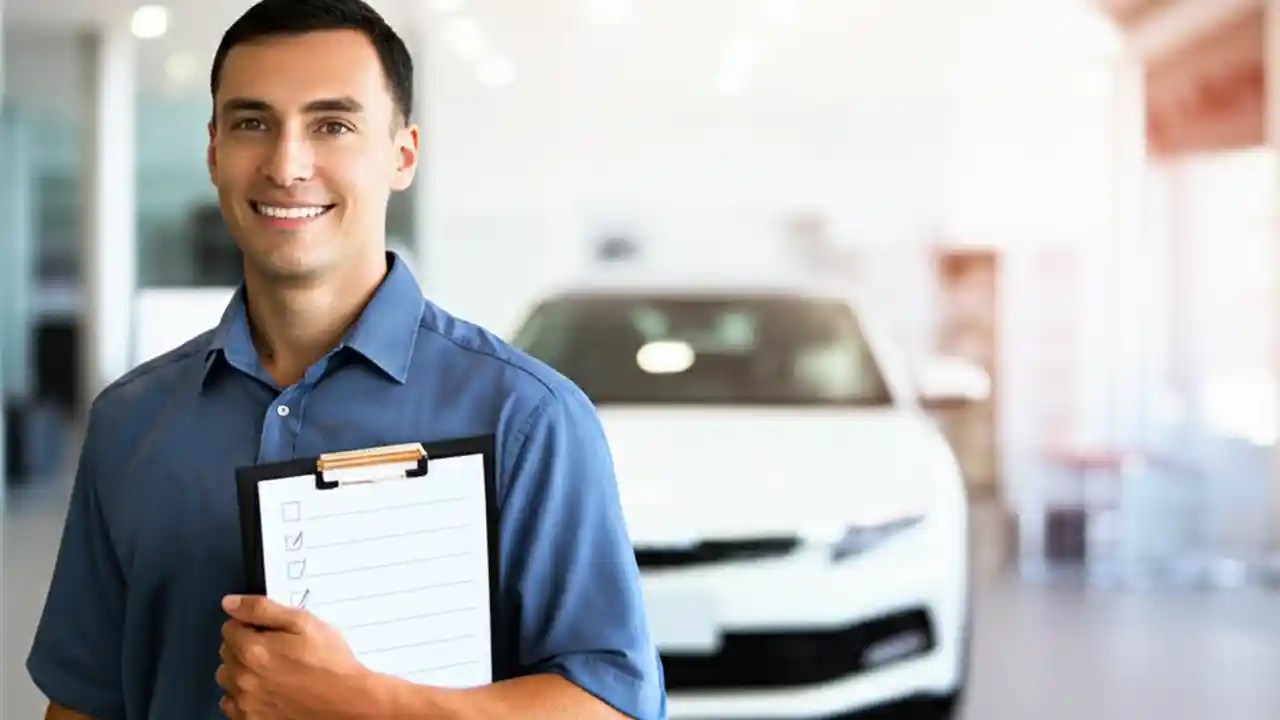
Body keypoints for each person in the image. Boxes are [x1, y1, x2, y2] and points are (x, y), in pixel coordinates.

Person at [26, 0, 665, 717]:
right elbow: (83, 700)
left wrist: (359, 702)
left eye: (332, 125)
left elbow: (609, 705)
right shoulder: (130, 421)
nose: (287, 163)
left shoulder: (527, 418)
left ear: (402, 154)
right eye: (252, 123)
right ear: (213, 152)